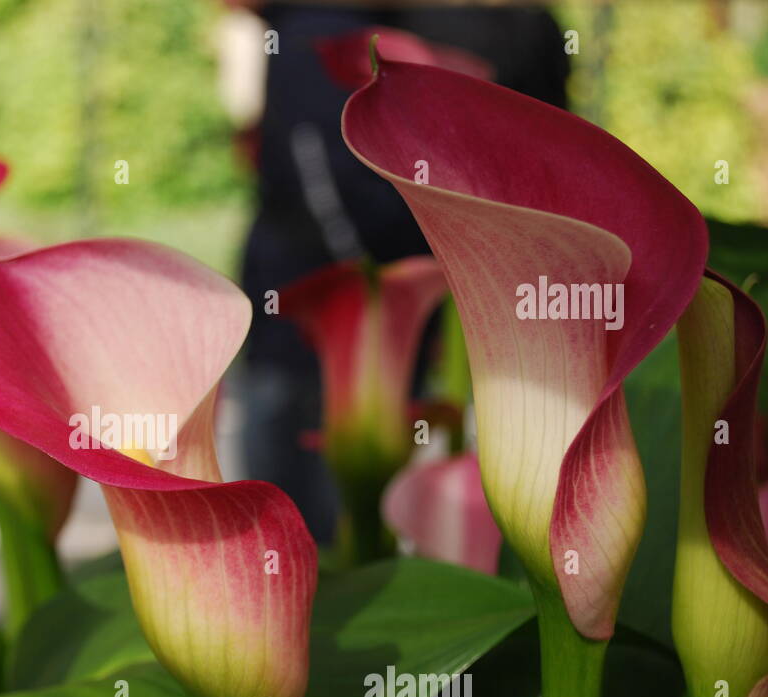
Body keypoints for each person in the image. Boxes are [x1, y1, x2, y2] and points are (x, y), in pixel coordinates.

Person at [233, 2, 570, 542]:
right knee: (360, 506)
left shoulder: (315, 32)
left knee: (296, 521)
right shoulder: (391, 27)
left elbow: (325, 181)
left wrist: (380, 297)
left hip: (320, 318)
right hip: (400, 307)